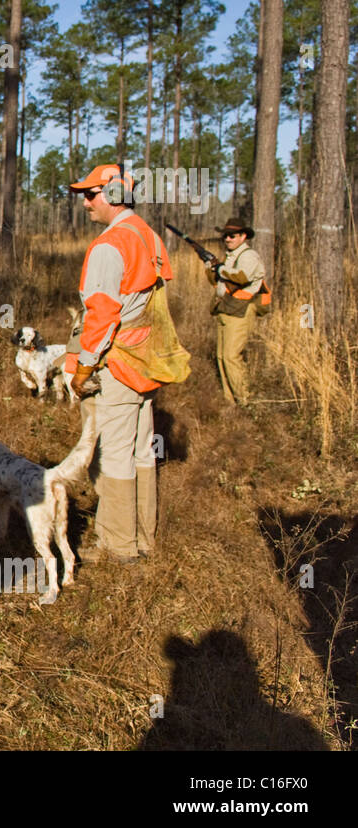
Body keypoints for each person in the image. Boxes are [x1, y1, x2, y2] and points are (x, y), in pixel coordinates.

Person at [65, 164, 188, 563]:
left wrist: (84, 368)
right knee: (141, 450)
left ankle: (118, 547)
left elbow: (102, 314)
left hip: (117, 360)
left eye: (91, 194)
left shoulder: (109, 244)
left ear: (114, 194)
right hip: (145, 359)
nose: (85, 203)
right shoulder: (147, 235)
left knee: (116, 451)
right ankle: (142, 537)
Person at [207, 214, 265, 406]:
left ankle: (245, 401)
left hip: (241, 311)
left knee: (232, 356)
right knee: (222, 356)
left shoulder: (249, 256)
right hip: (226, 308)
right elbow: (219, 281)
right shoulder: (229, 257)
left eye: (232, 235)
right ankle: (230, 401)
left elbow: (242, 277)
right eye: (226, 235)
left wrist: (220, 269)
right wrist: (211, 268)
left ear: (243, 237)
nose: (228, 239)